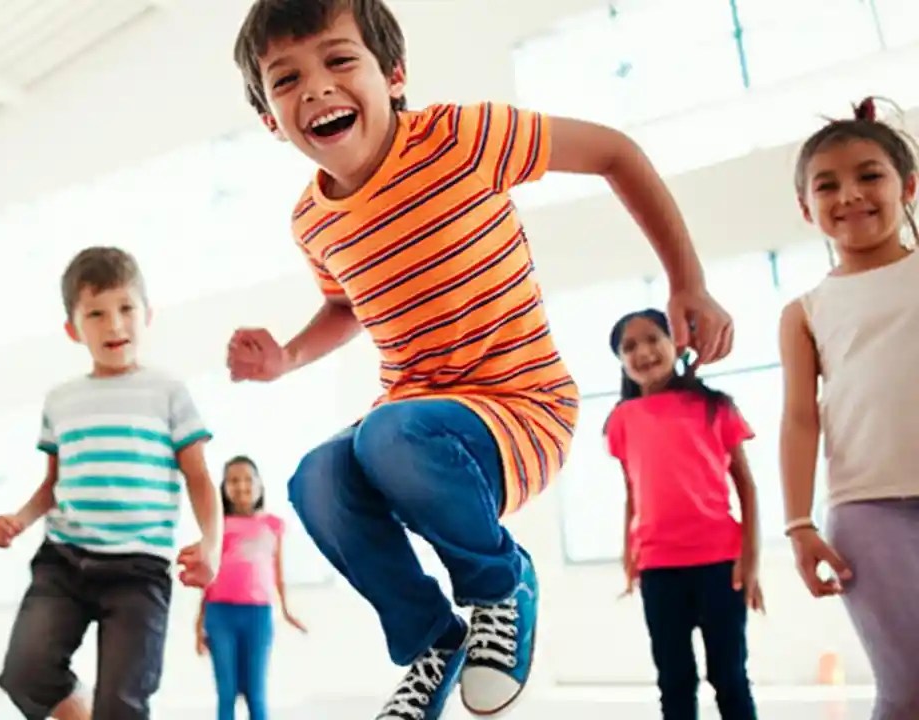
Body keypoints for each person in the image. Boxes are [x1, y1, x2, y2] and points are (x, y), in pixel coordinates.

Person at [226, 1, 734, 717]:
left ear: (393, 74)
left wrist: (687, 280)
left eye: (339, 61)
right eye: (287, 79)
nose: (316, 88)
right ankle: (433, 639)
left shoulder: (463, 138)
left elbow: (615, 152)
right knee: (315, 478)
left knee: (387, 433)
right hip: (413, 431)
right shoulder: (312, 222)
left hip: (520, 413)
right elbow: (345, 307)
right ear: (271, 119)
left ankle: (500, 586)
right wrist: (285, 357)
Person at [0, 246, 223, 720]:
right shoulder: (61, 400)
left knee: (123, 705)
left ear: (147, 315)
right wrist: (19, 518)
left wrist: (212, 541)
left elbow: (198, 475)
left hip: (138, 571)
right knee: (25, 672)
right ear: (73, 329)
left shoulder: (168, 392)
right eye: (96, 314)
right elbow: (52, 484)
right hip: (64, 562)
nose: (114, 325)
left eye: (125, 309)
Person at [778, 96, 919, 720]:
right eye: (827, 185)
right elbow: (800, 418)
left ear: (908, 186)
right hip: (867, 510)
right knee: (908, 689)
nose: (850, 195)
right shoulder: (804, 312)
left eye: (870, 175)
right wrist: (798, 524)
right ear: (807, 209)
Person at [605, 308, 762, 720]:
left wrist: (751, 560)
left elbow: (747, 487)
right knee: (674, 681)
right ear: (621, 361)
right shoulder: (621, 420)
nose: (643, 352)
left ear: (675, 342)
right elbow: (632, 493)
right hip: (658, 568)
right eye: (629, 346)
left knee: (729, 677)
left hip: (719, 564)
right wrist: (629, 556)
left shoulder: (715, 407)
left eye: (653, 339)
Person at [195, 455, 307, 720]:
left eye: (247, 479)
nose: (241, 486)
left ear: (259, 485)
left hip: (258, 616)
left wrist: (287, 610)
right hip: (219, 615)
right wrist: (198, 624)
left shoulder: (273, 525)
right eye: (233, 480)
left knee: (256, 692)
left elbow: (278, 574)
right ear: (223, 487)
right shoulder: (217, 526)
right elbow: (207, 578)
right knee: (226, 693)